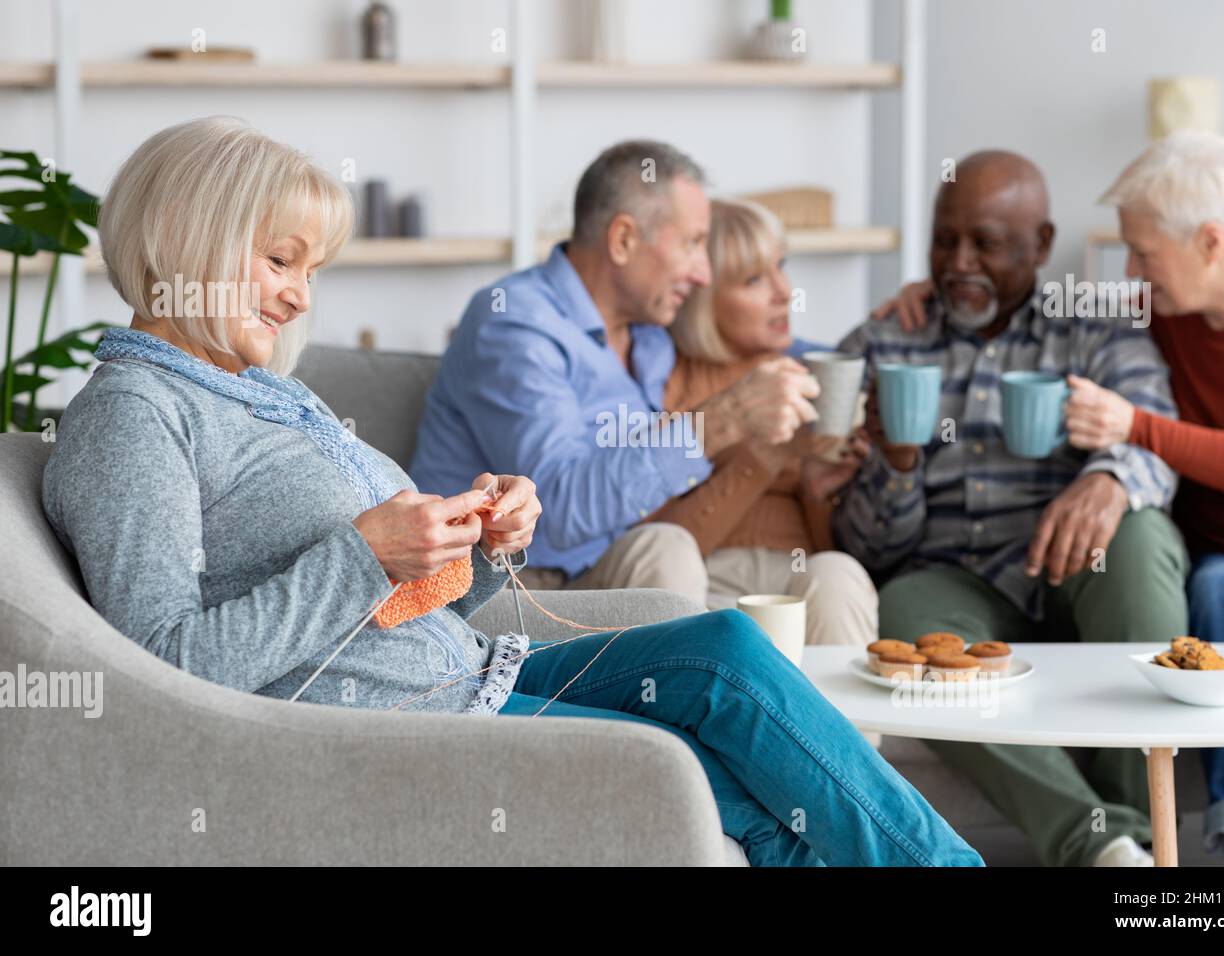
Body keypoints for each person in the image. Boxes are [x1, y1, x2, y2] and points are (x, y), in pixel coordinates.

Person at [42, 116, 982, 867]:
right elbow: (163, 669)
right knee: (731, 788)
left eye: (311, 272)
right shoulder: (132, 418)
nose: (298, 297)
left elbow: (388, 599)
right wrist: (365, 554)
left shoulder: (261, 393)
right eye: (279, 261)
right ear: (182, 238)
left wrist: (480, 552)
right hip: (404, 721)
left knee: (725, 649)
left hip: (466, 668)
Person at [835, 149, 1189, 867]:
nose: (959, 261)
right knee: (903, 616)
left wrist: (1111, 480)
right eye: (944, 238)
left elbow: (1155, 432)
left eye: (986, 243)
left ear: (1042, 245)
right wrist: (897, 470)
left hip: (1073, 569)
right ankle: (1105, 845)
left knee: (1140, 538)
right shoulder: (881, 342)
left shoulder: (1094, 325)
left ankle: (1148, 832)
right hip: (952, 577)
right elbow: (869, 546)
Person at [408, 141, 820, 604]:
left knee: (822, 583)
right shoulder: (514, 324)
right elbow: (558, 509)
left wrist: (891, 330)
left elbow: (757, 342)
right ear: (623, 240)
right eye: (692, 245)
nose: (704, 274)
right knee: (667, 549)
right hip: (514, 584)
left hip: (610, 567)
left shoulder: (651, 330)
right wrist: (724, 419)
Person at [1065, 131, 1224, 867]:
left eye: (1143, 253)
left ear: (1209, 242)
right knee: (1216, 586)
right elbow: (1038, 307)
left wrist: (1137, 425)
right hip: (1219, 554)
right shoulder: (1161, 310)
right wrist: (925, 291)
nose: (1131, 272)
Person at [649, 197, 878, 646]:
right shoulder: (666, 382)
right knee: (670, 565)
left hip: (794, 573)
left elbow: (820, 544)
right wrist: (766, 458)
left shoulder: (810, 373)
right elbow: (665, 542)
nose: (784, 291)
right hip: (706, 575)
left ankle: (845, 720)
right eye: (754, 279)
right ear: (702, 297)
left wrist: (817, 491)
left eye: (781, 267)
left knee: (839, 573)